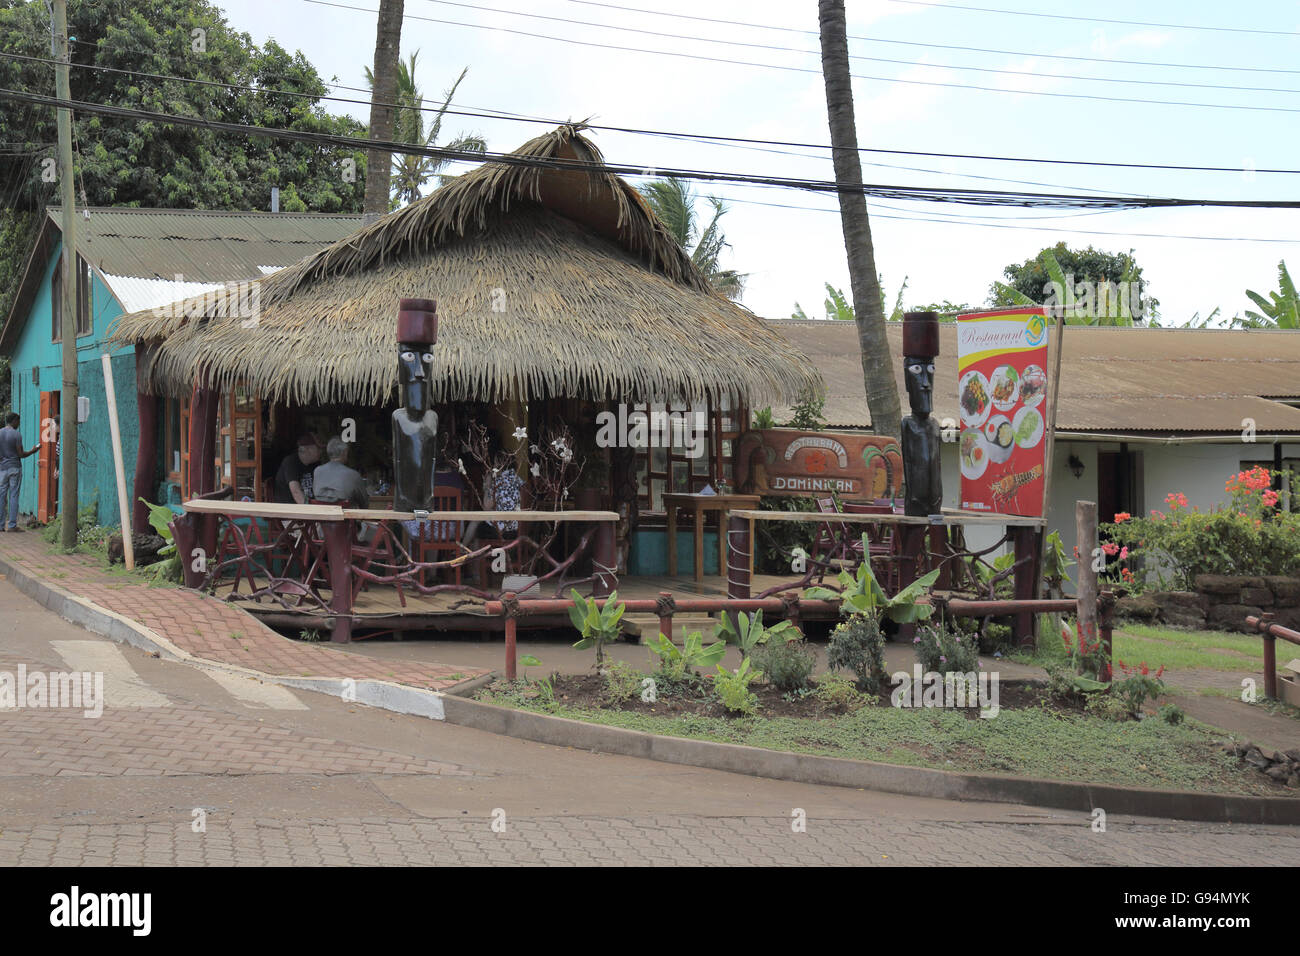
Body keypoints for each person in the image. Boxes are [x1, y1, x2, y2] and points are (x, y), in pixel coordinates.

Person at [0, 412, 39, 532]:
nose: (19, 423)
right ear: (14, 420)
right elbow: (21, 454)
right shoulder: (16, 435)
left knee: (1, 496)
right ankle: (12, 525)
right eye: (18, 421)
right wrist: (33, 450)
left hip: (2, 469)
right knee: (14, 495)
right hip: (15, 468)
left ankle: (1, 525)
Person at [313, 436, 369, 509]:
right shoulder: (353, 475)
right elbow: (364, 503)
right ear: (344, 452)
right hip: (345, 519)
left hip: (322, 518)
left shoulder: (317, 471)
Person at [273, 433, 321, 504]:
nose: (321, 452)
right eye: (319, 448)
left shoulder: (315, 464)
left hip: (308, 507)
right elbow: (296, 492)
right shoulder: (291, 462)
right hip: (291, 509)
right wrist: (309, 512)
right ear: (308, 449)